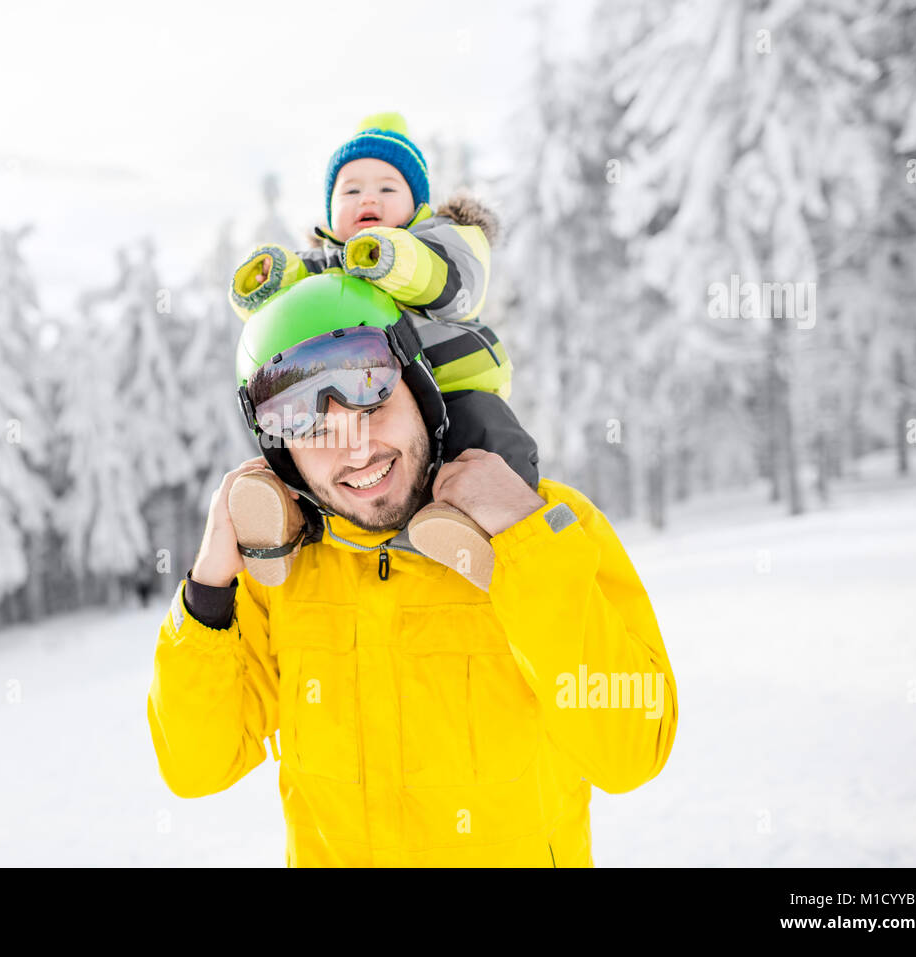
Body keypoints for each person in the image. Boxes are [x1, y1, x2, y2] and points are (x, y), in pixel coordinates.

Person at [147, 274, 678, 867]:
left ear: (420, 390)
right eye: (313, 429)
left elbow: (632, 750)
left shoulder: (551, 525)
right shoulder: (283, 576)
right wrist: (208, 589)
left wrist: (523, 534)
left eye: (370, 399)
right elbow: (195, 766)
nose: (354, 451)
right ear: (282, 456)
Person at [226, 112, 539, 590]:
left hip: (456, 387)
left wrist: (393, 257)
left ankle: (492, 527)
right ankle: (283, 526)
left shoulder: (443, 240)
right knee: (313, 444)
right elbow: (281, 314)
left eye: (387, 189)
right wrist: (266, 281)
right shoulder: (325, 269)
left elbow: (453, 285)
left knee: (486, 443)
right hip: (365, 400)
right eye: (350, 191)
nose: (367, 198)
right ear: (329, 215)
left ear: (418, 205)